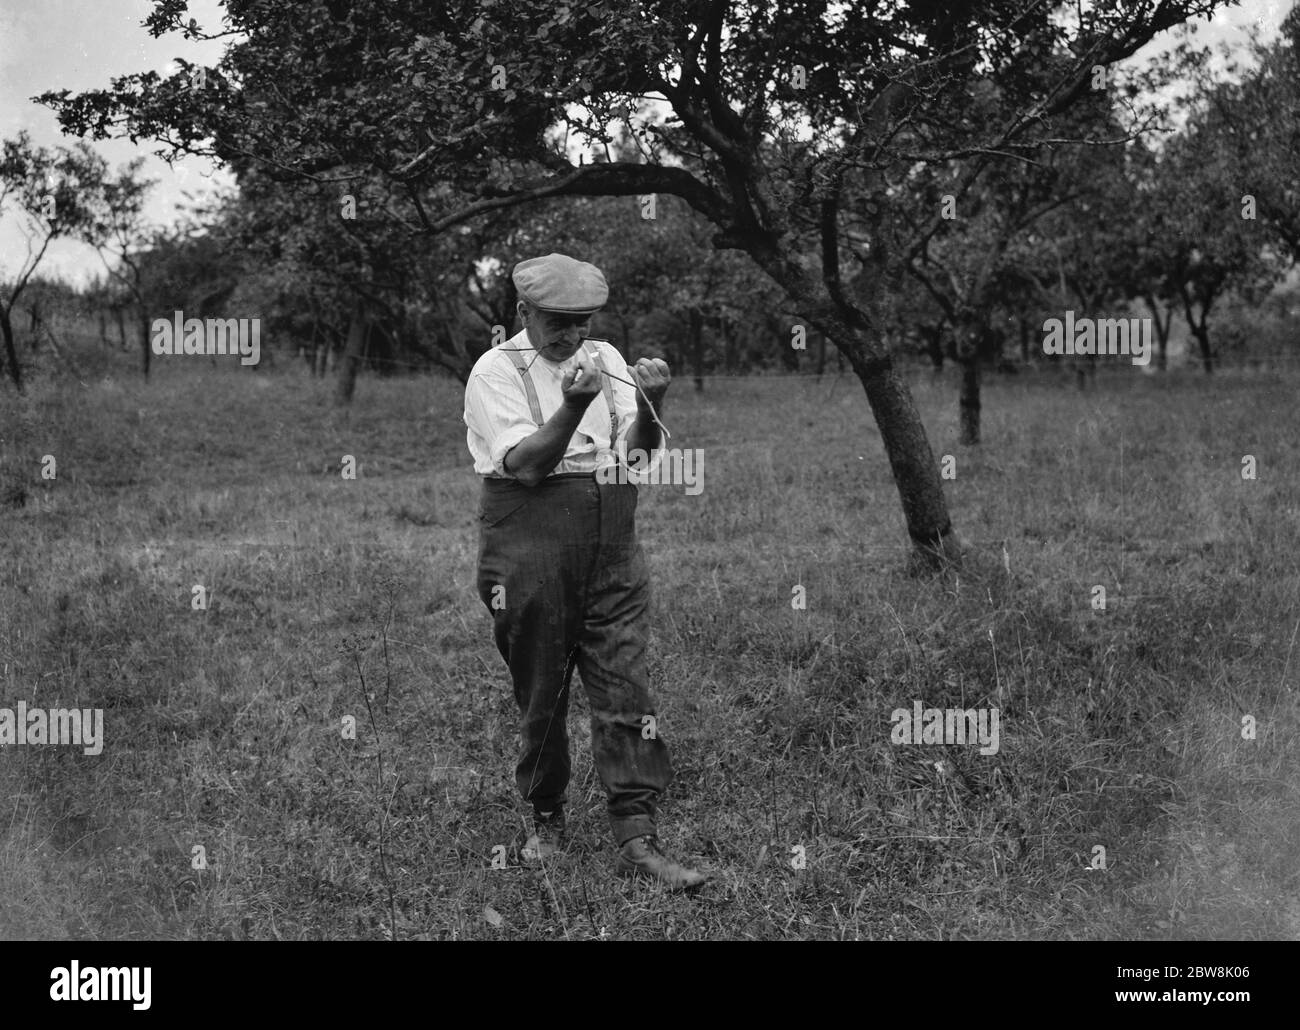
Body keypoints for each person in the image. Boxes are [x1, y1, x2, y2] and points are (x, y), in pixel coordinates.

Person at [463, 252, 707, 890]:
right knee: (543, 690)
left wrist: (652, 404)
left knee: (626, 686)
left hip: (612, 546)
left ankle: (636, 832)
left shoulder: (608, 360)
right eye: (557, 321)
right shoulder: (496, 370)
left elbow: (634, 460)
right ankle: (545, 814)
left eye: (582, 321)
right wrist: (572, 408)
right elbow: (525, 466)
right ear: (524, 313)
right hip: (530, 548)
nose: (571, 334)